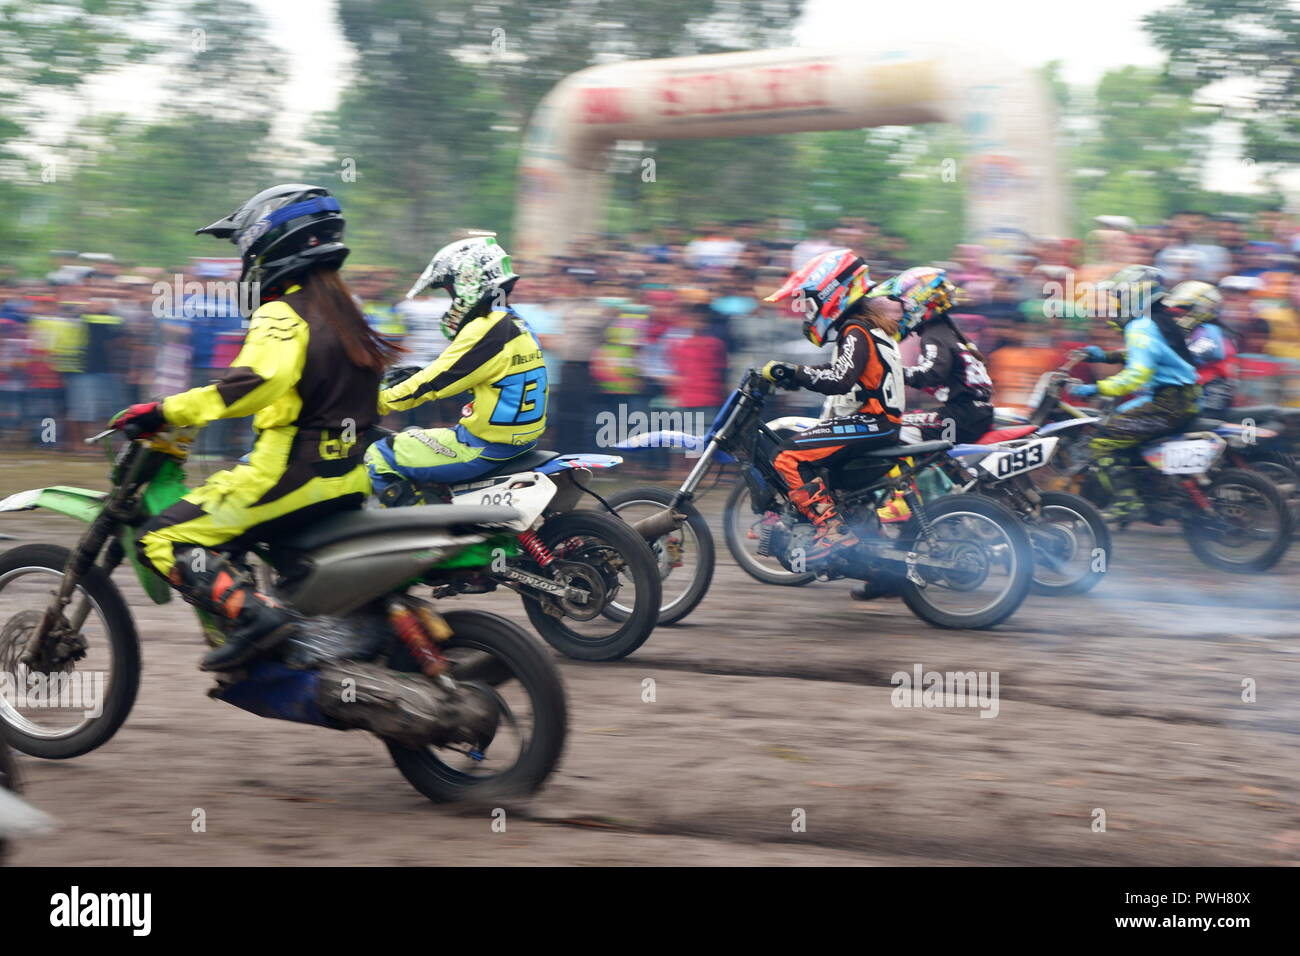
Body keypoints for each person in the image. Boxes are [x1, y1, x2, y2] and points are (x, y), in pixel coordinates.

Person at [111, 183, 398, 671]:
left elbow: (251, 386)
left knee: (162, 538)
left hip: (290, 477)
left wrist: (161, 412)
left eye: (244, 249)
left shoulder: (283, 314)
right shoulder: (347, 313)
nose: (242, 263)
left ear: (268, 245)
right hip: (348, 478)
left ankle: (257, 619)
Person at [365, 236, 549, 502]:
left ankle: (418, 537)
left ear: (470, 283)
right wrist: (418, 373)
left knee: (380, 454)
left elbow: (434, 383)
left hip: (485, 447)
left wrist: (376, 402)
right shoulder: (515, 322)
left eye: (451, 292)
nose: (451, 301)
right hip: (518, 442)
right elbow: (472, 371)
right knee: (411, 436)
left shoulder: (487, 327)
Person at [760, 249, 905, 565]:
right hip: (882, 424)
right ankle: (876, 562)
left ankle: (831, 529)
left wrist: (795, 371)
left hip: (873, 421)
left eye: (811, 303)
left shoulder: (855, 329)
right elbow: (842, 371)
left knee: (786, 456)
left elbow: (839, 379)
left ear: (833, 294)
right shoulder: (868, 327)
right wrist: (797, 376)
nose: (808, 312)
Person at [1068, 264, 1201, 522]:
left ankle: (1127, 503)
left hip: (1168, 404)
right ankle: (1149, 488)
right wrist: (1106, 355)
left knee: (1103, 438)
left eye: (1118, 298)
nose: (1115, 305)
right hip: (1182, 399)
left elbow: (1137, 375)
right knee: (1122, 423)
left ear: (1134, 294)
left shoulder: (1140, 326)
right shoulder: (1157, 318)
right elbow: (1152, 354)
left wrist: (1097, 388)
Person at [869, 266, 995, 443]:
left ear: (919, 303)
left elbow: (932, 373)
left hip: (960, 417)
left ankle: (921, 470)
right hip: (974, 414)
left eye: (903, 306)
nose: (901, 314)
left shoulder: (934, 334)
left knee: (890, 426)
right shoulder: (948, 330)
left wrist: (891, 370)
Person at [1165, 280, 1236, 416]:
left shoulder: (1210, 332)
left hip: (1209, 396)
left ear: (1201, 309)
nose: (1175, 318)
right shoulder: (1188, 333)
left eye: (1181, 312)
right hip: (1187, 393)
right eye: (1173, 314)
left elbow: (1193, 355)